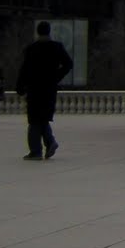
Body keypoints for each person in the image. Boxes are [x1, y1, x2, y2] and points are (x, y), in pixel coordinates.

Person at [16, 21, 73, 160]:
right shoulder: (56, 47)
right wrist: (56, 77)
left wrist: (20, 86)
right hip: (49, 88)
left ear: (38, 32)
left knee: (35, 120)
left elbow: (24, 70)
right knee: (42, 118)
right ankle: (50, 142)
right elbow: (68, 64)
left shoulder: (31, 49)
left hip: (34, 88)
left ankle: (36, 150)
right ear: (49, 32)